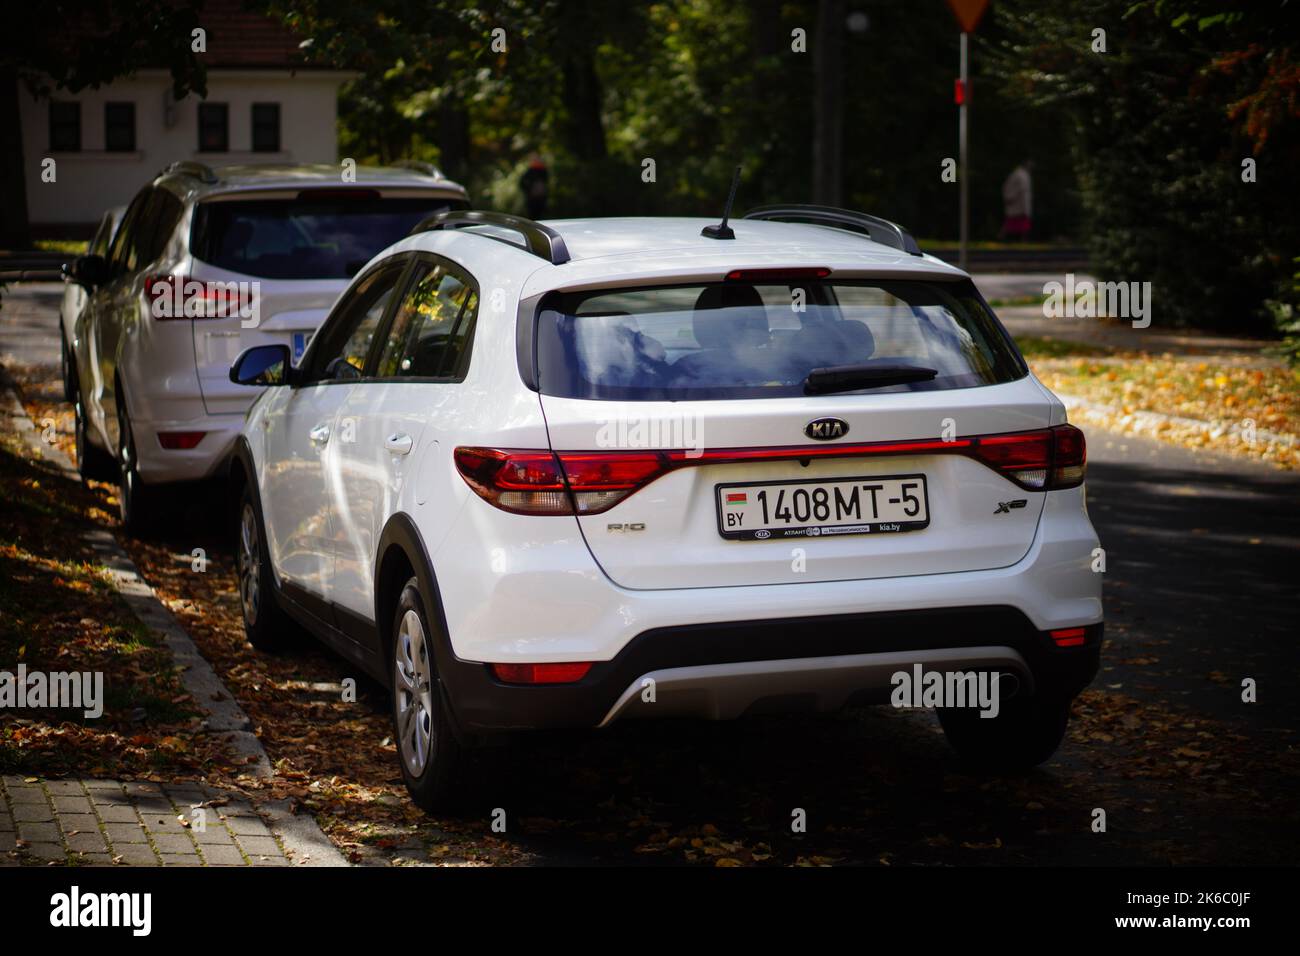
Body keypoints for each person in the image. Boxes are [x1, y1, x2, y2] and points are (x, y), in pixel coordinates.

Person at [1000, 159, 1034, 240]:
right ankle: (1001, 238)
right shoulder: (1019, 174)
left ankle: (1022, 241)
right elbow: (1017, 189)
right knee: (1011, 223)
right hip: (1017, 204)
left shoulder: (1021, 174)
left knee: (1022, 225)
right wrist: (1010, 197)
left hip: (1019, 204)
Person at [519, 153, 549, 219]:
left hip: (541, 198)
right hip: (532, 198)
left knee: (540, 216)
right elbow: (521, 183)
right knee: (532, 216)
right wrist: (528, 191)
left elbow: (546, 182)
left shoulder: (543, 171)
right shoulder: (530, 171)